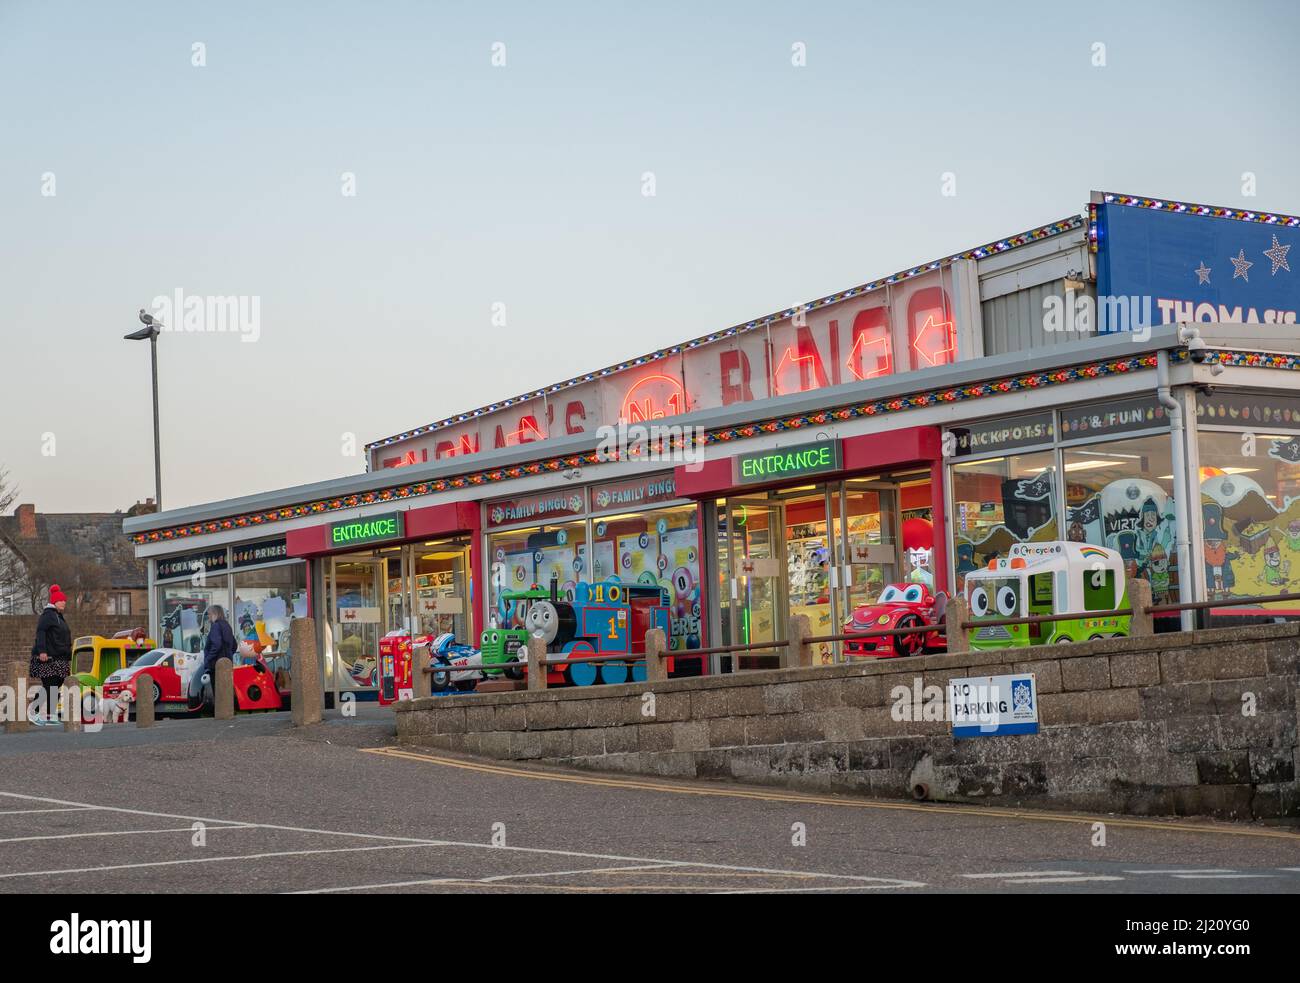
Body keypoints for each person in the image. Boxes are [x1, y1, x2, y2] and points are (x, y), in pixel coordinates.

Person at [30, 584, 72, 725]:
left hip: (59, 658)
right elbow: (40, 633)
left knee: (56, 686)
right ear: (54, 601)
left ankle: (51, 715)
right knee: (49, 686)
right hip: (48, 658)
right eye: (61, 600)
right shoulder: (48, 615)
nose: (64, 603)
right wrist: (42, 651)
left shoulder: (58, 617)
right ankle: (33, 711)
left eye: (64, 600)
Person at [200, 605, 237, 688]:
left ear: (214, 614)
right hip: (227, 664)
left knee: (217, 692)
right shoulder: (227, 626)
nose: (208, 617)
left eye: (209, 614)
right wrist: (228, 655)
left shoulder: (215, 626)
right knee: (226, 690)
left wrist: (209, 658)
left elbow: (217, 644)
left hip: (216, 665)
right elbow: (235, 645)